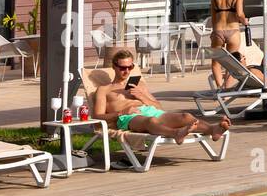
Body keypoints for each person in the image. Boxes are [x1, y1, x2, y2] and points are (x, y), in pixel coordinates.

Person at [96, 49, 230, 141]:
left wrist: (143, 97)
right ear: (114, 67)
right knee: (150, 121)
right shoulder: (104, 90)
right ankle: (176, 133)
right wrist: (121, 112)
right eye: (122, 68)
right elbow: (97, 116)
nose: (126, 71)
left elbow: (158, 107)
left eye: (129, 67)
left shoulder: (139, 85)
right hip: (128, 117)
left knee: (186, 116)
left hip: (151, 112)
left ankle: (213, 129)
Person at [209, 0, 247, 87]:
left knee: (215, 63)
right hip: (233, 31)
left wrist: (213, 32)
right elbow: (240, 14)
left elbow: (213, 18)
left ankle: (220, 89)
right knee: (232, 63)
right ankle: (226, 89)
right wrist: (245, 21)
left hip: (218, 31)